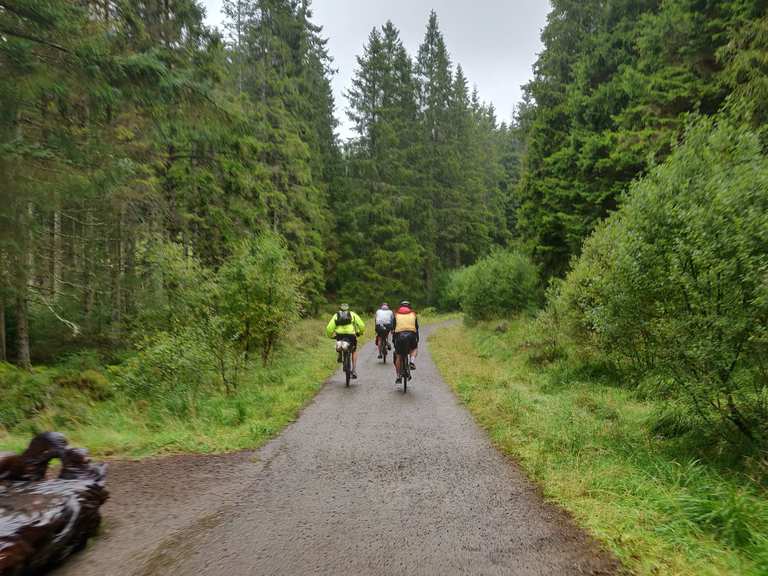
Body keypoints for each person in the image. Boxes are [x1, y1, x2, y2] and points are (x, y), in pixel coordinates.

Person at [325, 303, 366, 379]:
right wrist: (360, 332)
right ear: (348, 309)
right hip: (351, 335)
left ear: (340, 308)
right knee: (353, 350)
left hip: (339, 335)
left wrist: (330, 336)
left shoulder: (336, 315)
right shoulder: (352, 314)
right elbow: (361, 325)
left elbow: (329, 328)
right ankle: (353, 370)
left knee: (339, 342)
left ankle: (340, 353)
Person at [392, 300, 419, 383]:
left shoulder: (396, 314)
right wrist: (417, 338)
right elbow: (416, 327)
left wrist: (394, 339)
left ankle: (398, 376)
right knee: (414, 349)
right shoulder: (413, 314)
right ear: (409, 307)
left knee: (398, 355)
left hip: (399, 336)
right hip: (411, 335)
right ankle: (411, 362)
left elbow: (393, 328)